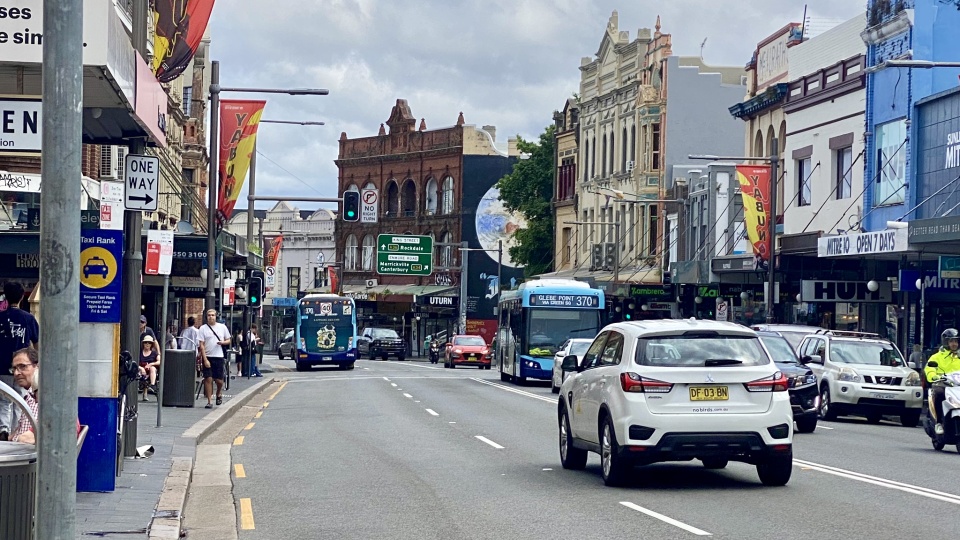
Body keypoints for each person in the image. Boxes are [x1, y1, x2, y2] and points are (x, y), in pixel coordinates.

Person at [8, 347, 80, 445]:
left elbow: (63, 420)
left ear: (38, 367)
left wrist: (31, 434)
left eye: (22, 366)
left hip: (35, 458)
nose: (16, 373)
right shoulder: (28, 396)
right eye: (14, 368)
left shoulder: (51, 395)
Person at [0, 282, 39, 441]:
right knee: (21, 402)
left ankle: (3, 430)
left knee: (4, 401)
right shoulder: (28, 318)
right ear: (22, 296)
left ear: (5, 297)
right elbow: (37, 343)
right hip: (24, 367)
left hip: (2, 367)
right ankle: (15, 434)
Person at [925, 328, 960, 435]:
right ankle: (938, 422)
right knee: (939, 393)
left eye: (956, 341)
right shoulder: (936, 357)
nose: (954, 344)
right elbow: (929, 368)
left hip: (958, 385)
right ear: (946, 342)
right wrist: (934, 376)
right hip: (943, 384)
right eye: (951, 341)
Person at [197, 309, 230, 409]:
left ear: (216, 317)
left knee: (219, 381)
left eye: (212, 315)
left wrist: (223, 343)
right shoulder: (203, 328)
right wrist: (205, 359)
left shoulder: (222, 327)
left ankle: (219, 392)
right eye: (209, 315)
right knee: (208, 379)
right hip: (208, 356)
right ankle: (209, 401)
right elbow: (201, 345)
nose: (211, 317)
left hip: (219, 357)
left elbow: (228, 340)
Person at [138, 335, 161, 401]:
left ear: (152, 344)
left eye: (149, 343)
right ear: (143, 344)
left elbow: (160, 361)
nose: (147, 344)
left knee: (152, 368)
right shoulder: (139, 353)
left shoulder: (154, 353)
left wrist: (151, 364)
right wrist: (141, 368)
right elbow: (135, 361)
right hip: (141, 370)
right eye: (146, 342)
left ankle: (152, 385)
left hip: (151, 371)